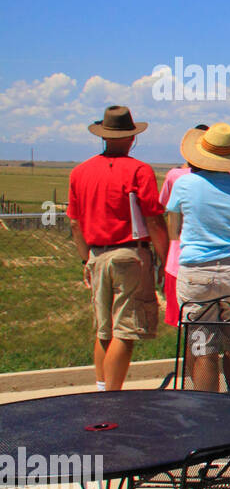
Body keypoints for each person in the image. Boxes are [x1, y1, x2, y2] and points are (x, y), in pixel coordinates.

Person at [66, 105, 169, 391]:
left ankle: (102, 389)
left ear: (104, 135)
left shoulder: (80, 172)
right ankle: (111, 400)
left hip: (96, 255)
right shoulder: (139, 170)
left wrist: (86, 259)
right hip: (130, 254)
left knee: (104, 330)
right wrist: (163, 257)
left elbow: (75, 223)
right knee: (125, 330)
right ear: (132, 137)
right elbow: (154, 219)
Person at [165, 123, 230, 398]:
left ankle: (209, 418)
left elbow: (174, 227)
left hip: (195, 274)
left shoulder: (184, 184)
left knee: (203, 351)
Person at [158, 123, 208, 328]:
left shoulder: (175, 177)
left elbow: (166, 212)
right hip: (218, 261)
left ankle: (193, 360)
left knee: (189, 330)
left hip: (179, 260)